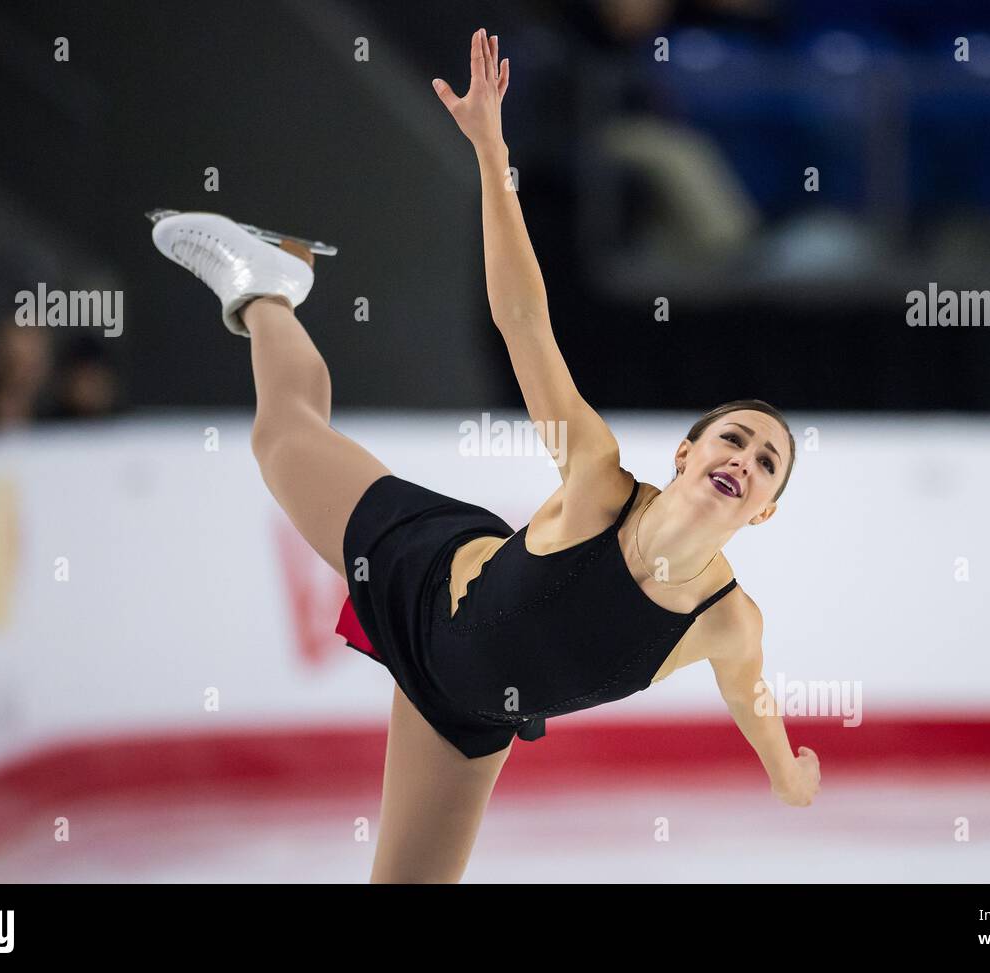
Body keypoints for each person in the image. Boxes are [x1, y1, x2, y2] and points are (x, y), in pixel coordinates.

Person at [150, 28, 819, 883]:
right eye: (735, 437)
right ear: (687, 452)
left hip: (465, 711)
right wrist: (493, 155)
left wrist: (785, 767)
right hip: (418, 570)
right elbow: (523, 321)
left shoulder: (728, 619)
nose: (747, 458)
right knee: (281, 434)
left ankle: (275, 282)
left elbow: (749, 694)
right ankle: (270, 285)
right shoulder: (597, 478)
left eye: (768, 463)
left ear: (763, 508)